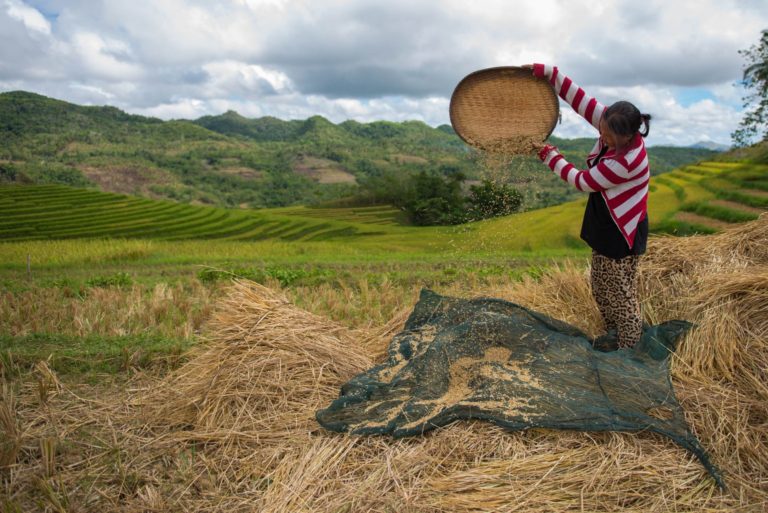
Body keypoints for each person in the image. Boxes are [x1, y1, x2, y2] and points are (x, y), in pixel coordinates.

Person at [526, 63, 652, 349]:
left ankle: (629, 348)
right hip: (607, 218)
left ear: (627, 137)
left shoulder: (625, 163)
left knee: (620, 291)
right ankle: (612, 332)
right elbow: (580, 100)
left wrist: (548, 154)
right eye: (603, 131)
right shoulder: (613, 122)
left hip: (622, 230)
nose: (603, 137)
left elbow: (582, 181)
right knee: (599, 283)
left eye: (608, 138)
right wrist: (548, 72)